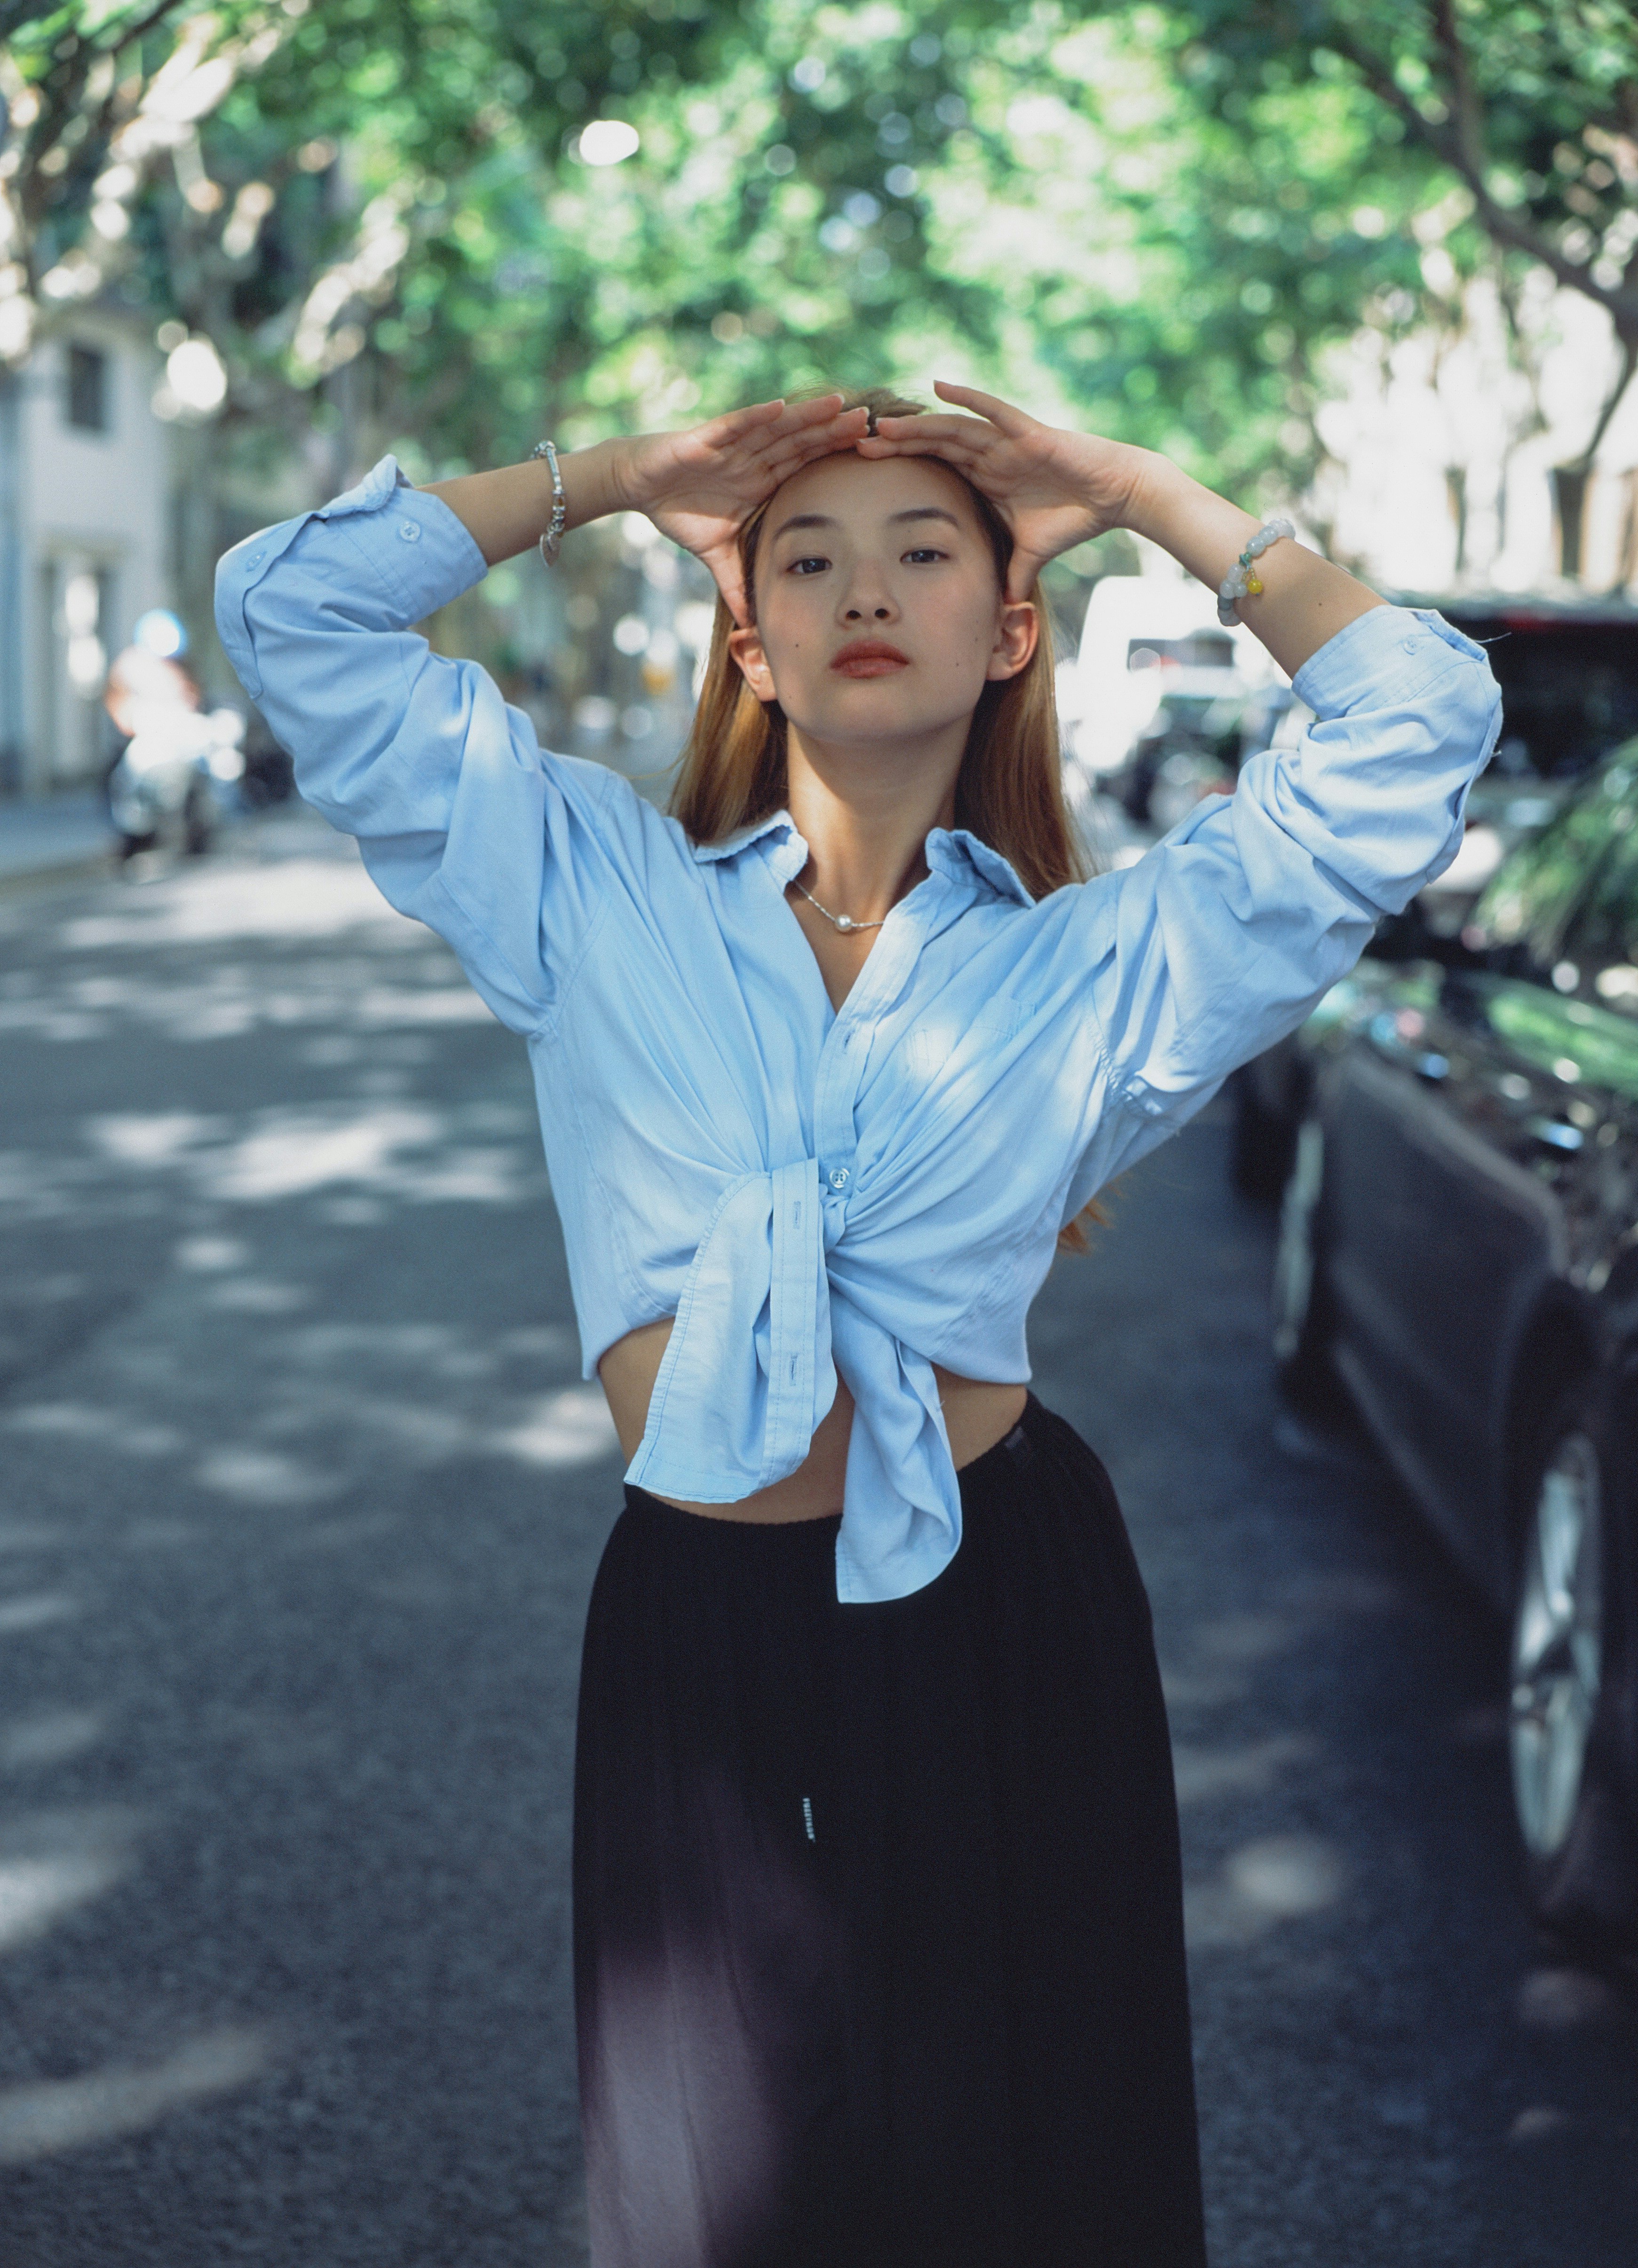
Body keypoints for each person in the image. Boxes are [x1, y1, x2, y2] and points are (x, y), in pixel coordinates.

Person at [214, 382, 1500, 2266]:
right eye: (807, 562)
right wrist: (611, 480)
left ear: (1011, 628)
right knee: (720, 2195)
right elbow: (291, 609)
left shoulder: (1100, 964)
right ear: (751, 640)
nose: (865, 591)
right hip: (699, 1633)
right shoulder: (581, 885)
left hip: (1004, 1617)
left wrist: (1141, 491)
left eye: (923, 553)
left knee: (1029, 2188)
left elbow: (1417, 721)